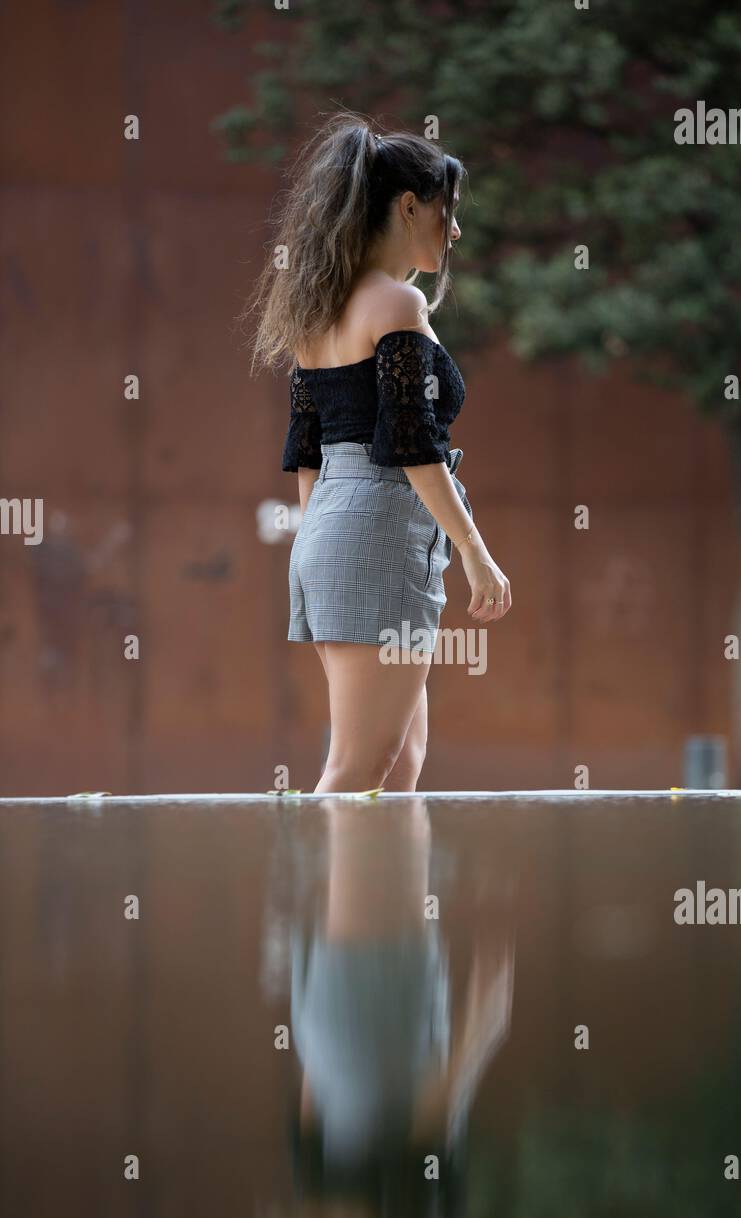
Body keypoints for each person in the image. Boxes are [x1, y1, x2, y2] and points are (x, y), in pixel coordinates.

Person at [248, 113, 512, 792]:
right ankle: (307, 896)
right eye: (447, 213)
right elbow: (413, 446)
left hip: (330, 527)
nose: (454, 232)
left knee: (399, 766)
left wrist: (320, 546)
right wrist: (478, 555)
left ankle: (380, 901)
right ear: (408, 206)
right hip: (377, 535)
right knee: (358, 767)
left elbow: (308, 453)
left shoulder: (318, 310)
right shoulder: (398, 304)